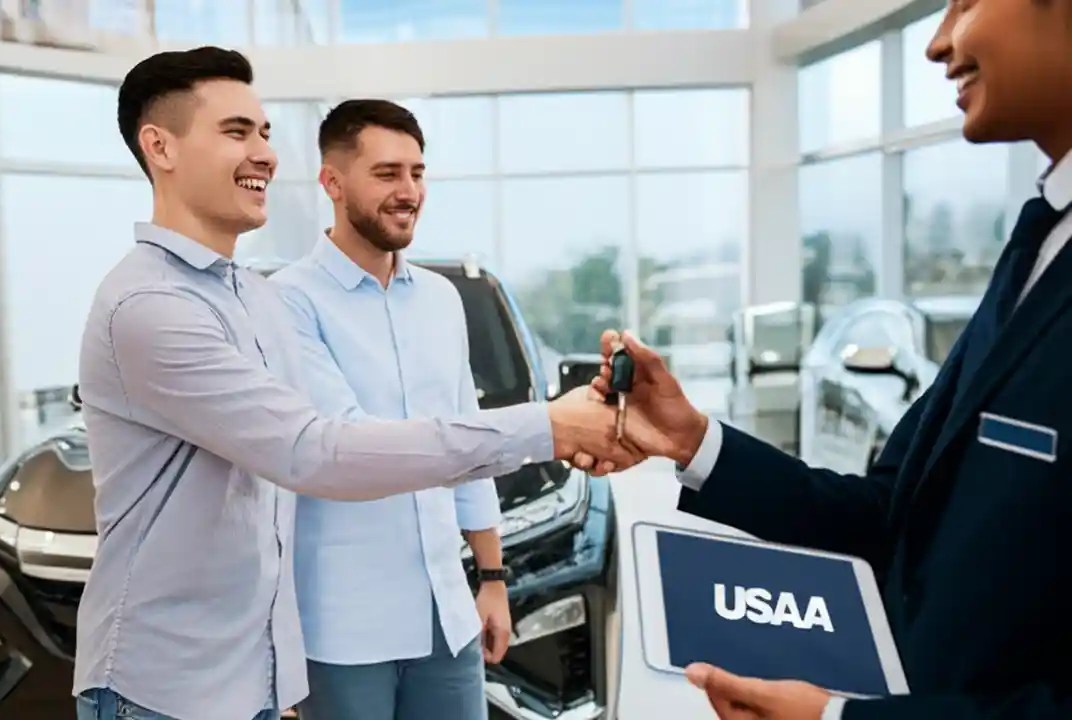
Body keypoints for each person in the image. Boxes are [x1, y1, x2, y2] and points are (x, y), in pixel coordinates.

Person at [71, 47, 639, 720]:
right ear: (159, 146)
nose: (263, 154)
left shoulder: (246, 296)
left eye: (264, 133)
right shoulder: (155, 308)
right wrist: (552, 426)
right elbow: (317, 452)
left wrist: (489, 573)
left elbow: (268, 500)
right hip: (164, 687)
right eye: (235, 132)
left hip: (246, 670)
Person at [598, 2, 1072, 717]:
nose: (938, 44)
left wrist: (838, 719)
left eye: (966, 3)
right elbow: (891, 515)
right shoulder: (1037, 245)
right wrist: (690, 440)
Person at [271, 99, 507, 720]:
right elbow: (347, 445)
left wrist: (492, 578)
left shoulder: (440, 298)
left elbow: (472, 445)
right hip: (344, 626)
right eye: (386, 174)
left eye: (417, 173)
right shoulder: (287, 303)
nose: (408, 191)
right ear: (332, 182)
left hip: (445, 614)